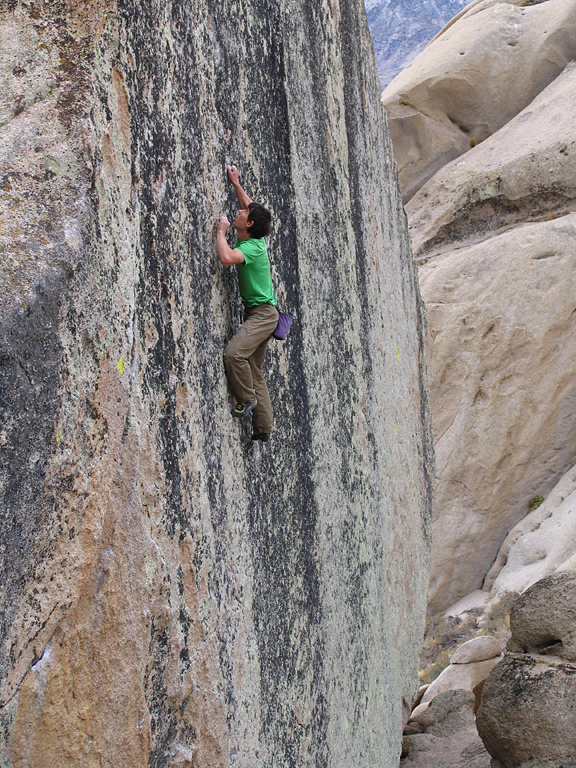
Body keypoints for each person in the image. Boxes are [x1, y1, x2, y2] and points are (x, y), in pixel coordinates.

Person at [216, 165, 279, 442]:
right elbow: (249, 206)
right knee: (254, 368)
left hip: (263, 315)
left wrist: (221, 232)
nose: (239, 211)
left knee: (234, 354)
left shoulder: (251, 248)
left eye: (243, 214)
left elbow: (226, 258)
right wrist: (235, 183)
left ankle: (247, 399)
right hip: (263, 313)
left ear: (249, 224)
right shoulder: (256, 235)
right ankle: (263, 427)